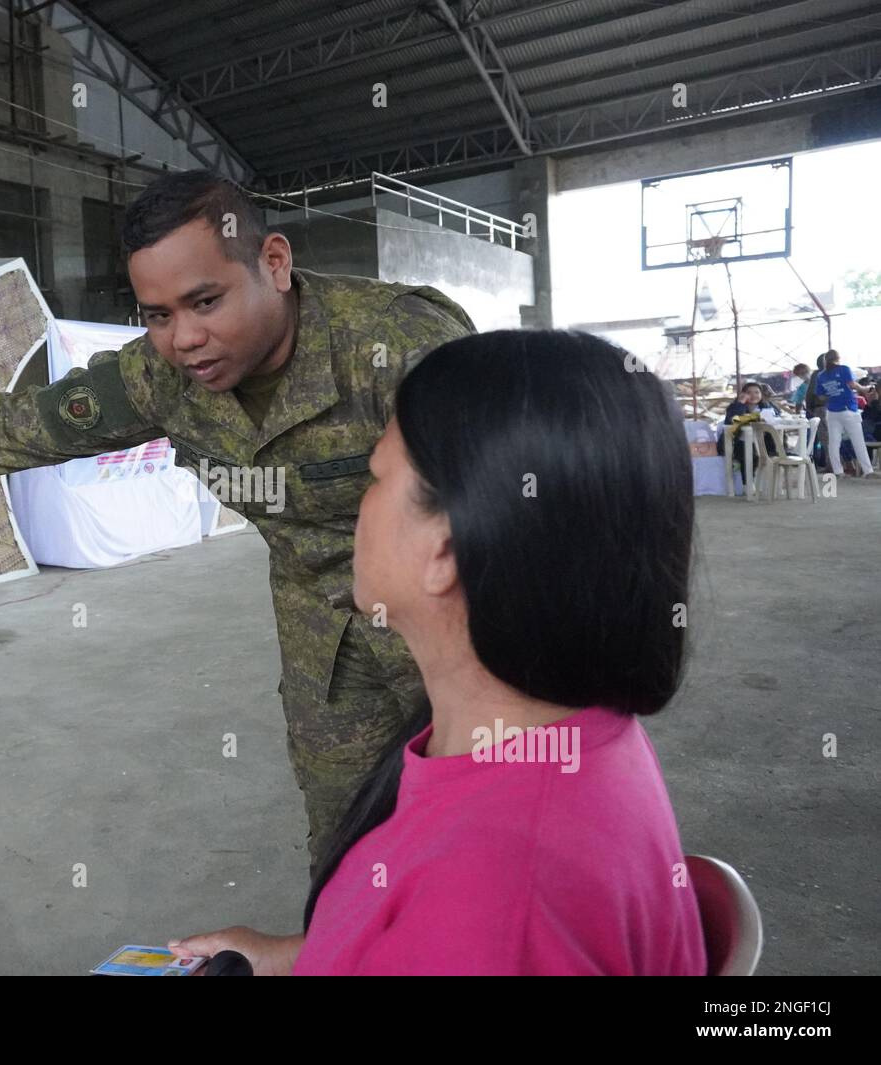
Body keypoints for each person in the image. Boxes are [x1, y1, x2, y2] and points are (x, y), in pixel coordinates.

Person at [0, 169, 476, 872]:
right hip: (324, 645)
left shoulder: (396, 343)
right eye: (158, 314)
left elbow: (503, 512)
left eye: (205, 301)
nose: (185, 338)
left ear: (273, 262)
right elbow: (35, 424)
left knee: (484, 824)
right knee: (345, 845)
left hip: (454, 628)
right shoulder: (163, 375)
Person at [168, 331, 705, 975]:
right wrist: (292, 957)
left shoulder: (497, 907)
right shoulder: (553, 736)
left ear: (443, 550)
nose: (356, 511)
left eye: (375, 479)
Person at [816, 350, 876, 477]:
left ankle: (838, 472)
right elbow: (852, 385)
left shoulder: (821, 375)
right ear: (838, 358)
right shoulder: (844, 369)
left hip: (832, 412)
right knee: (858, 441)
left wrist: (833, 394)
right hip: (848, 409)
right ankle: (868, 471)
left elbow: (821, 396)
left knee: (833, 442)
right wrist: (865, 389)